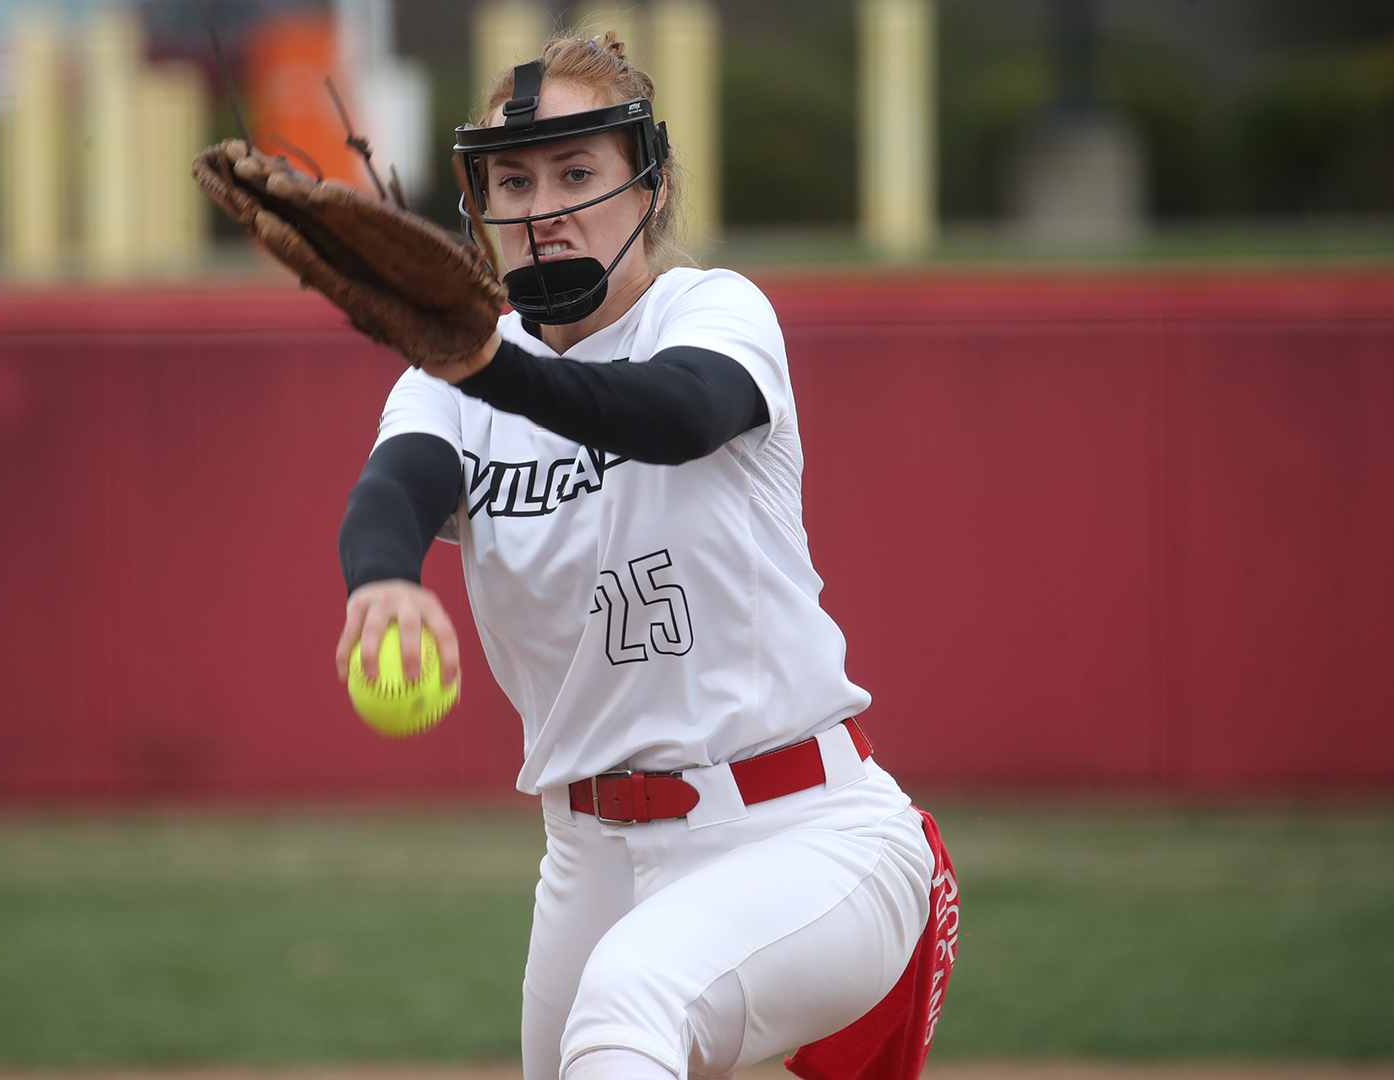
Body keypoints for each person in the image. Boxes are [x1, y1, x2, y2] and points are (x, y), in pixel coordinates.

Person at [332, 30, 954, 1080]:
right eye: (513, 180)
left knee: (632, 1008)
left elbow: (673, 413)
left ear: (653, 190)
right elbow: (397, 486)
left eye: (580, 171)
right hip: (588, 858)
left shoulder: (709, 312)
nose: (545, 206)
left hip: (805, 832)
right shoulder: (456, 378)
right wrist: (384, 576)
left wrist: (485, 363)